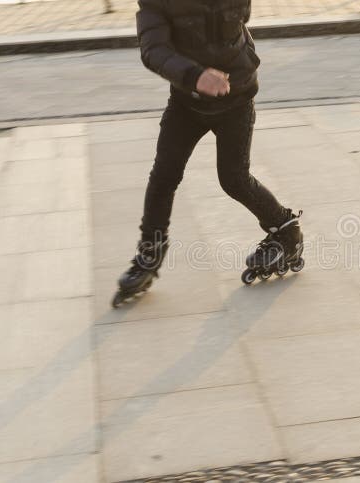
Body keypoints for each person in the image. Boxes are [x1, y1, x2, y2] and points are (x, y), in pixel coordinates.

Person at [112, 0, 304, 307]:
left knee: (234, 179)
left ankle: (285, 232)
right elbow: (153, 50)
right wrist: (195, 75)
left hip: (237, 97)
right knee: (164, 176)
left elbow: (240, 20)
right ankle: (149, 255)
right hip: (187, 101)